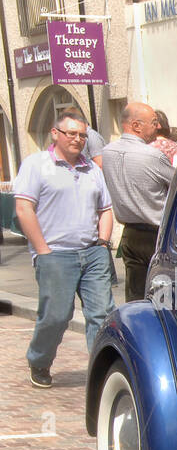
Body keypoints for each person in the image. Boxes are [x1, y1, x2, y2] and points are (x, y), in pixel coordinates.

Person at [13, 111, 115, 388]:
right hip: (55, 253)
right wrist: (42, 250)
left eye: (82, 135)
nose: (78, 139)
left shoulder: (92, 169)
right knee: (57, 315)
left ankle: (101, 370)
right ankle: (39, 360)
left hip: (93, 252)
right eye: (71, 133)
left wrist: (103, 243)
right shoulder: (36, 165)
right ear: (55, 133)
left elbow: (106, 209)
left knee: (102, 315)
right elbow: (24, 208)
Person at [100, 102, 175, 301]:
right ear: (136, 126)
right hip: (156, 234)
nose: (158, 127)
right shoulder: (152, 155)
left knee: (135, 295)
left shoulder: (107, 153)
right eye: (154, 122)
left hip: (130, 234)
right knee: (162, 296)